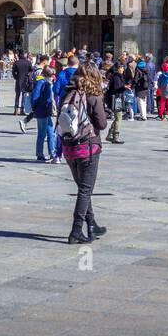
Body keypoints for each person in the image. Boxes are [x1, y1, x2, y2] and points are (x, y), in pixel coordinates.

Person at [59, 65, 110, 244]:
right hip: (88, 147)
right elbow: (102, 124)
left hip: (68, 148)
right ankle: (76, 230)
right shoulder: (93, 97)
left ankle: (92, 224)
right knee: (85, 190)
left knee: (83, 188)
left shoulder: (67, 95)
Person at [104, 61, 127, 144]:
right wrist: (125, 87)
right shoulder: (116, 76)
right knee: (118, 117)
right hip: (115, 99)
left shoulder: (117, 76)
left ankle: (110, 135)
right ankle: (115, 136)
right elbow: (117, 88)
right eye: (122, 67)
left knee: (118, 117)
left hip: (115, 99)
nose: (123, 69)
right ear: (118, 68)